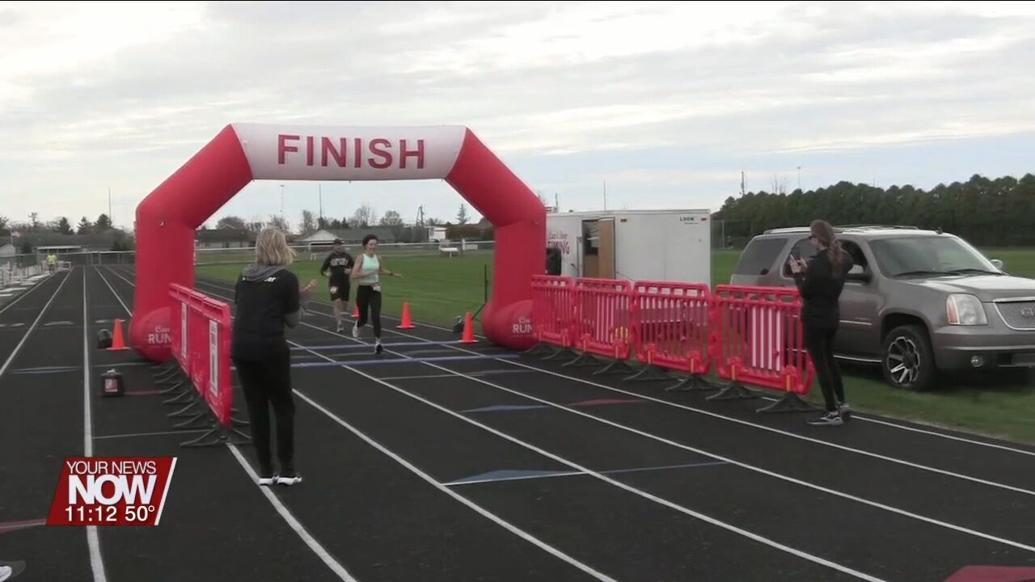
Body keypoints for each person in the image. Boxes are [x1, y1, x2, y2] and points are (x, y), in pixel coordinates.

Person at [231, 227, 316, 485]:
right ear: (282, 247)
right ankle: (288, 470)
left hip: (242, 348)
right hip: (270, 348)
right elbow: (292, 322)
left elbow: (250, 307)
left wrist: (291, 299)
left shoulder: (244, 276)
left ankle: (266, 471)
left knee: (256, 408)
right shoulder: (287, 278)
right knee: (282, 407)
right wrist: (303, 300)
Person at [789, 219, 854, 427]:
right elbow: (835, 269)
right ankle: (842, 403)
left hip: (815, 318)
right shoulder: (843, 259)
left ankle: (831, 410)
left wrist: (798, 273)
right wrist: (809, 269)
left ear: (818, 238)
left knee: (821, 364)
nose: (810, 240)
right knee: (830, 359)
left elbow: (806, 292)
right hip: (832, 315)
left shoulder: (817, 264)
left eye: (811, 236)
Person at [350, 234, 401, 354]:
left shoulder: (378, 258)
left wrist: (392, 274)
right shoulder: (360, 258)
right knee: (363, 318)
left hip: (375, 289)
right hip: (363, 289)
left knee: (376, 315)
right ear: (365, 246)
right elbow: (354, 275)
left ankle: (378, 343)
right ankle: (358, 325)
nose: (373, 246)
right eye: (371, 244)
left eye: (375, 244)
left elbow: (380, 270)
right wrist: (368, 273)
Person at [319, 239, 355, 333]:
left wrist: (350, 270)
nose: (338, 246)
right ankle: (339, 324)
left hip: (345, 283)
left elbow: (355, 267)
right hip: (333, 283)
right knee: (337, 301)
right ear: (333, 246)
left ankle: (340, 313)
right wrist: (327, 274)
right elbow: (322, 270)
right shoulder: (330, 257)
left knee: (344, 304)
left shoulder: (347, 256)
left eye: (340, 245)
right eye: (336, 245)